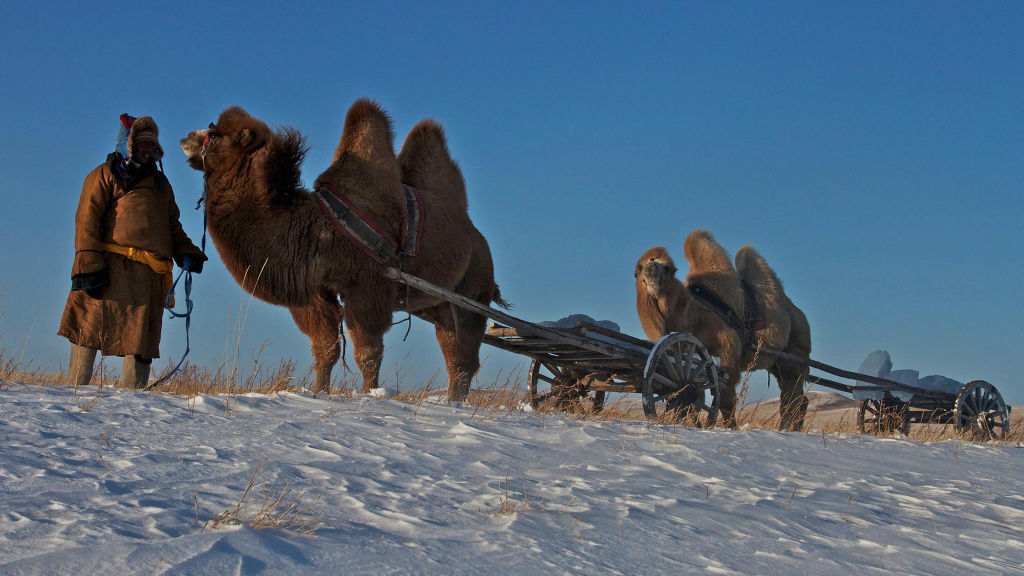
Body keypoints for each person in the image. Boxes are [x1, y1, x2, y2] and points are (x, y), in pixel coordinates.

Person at [58, 113, 207, 388]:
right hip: (107, 271)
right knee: (87, 330)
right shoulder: (104, 175)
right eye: (143, 143)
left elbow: (172, 225)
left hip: (147, 279)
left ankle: (135, 403)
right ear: (130, 144)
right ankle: (74, 395)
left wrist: (187, 251)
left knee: (141, 343)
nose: (148, 148)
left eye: (152, 144)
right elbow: (87, 219)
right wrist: (88, 265)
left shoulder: (161, 185)